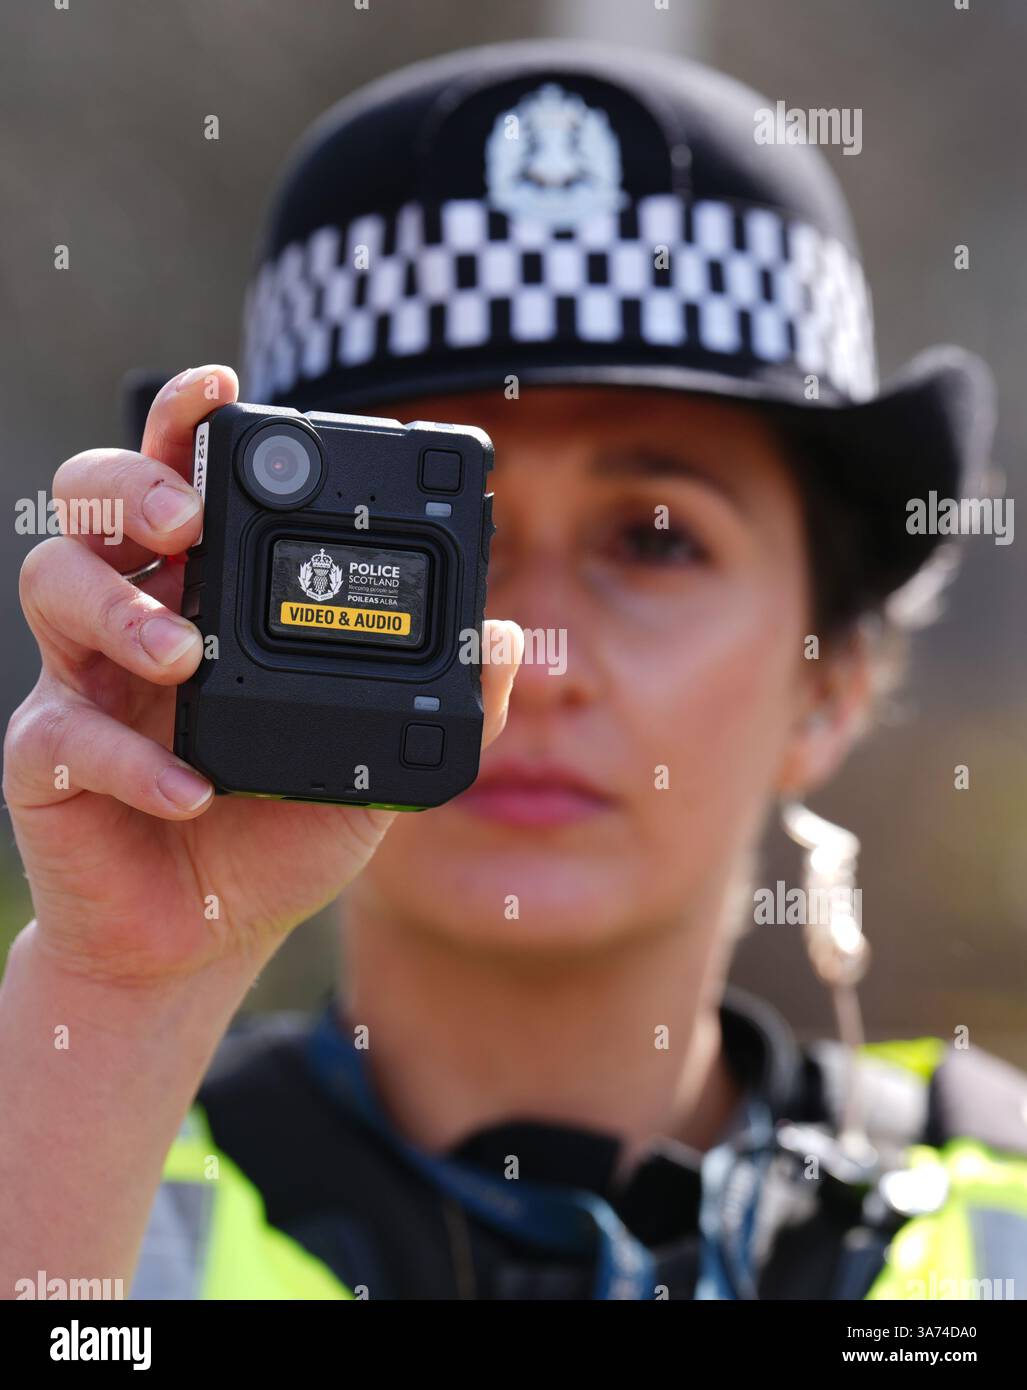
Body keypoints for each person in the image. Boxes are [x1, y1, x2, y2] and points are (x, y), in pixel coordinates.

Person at [3, 40, 1026, 1303]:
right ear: (219, 596)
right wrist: (116, 1000)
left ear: (833, 682)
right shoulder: (70, 1160)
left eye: (654, 537)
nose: (525, 664)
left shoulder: (1003, 1230)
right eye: (423, 541)